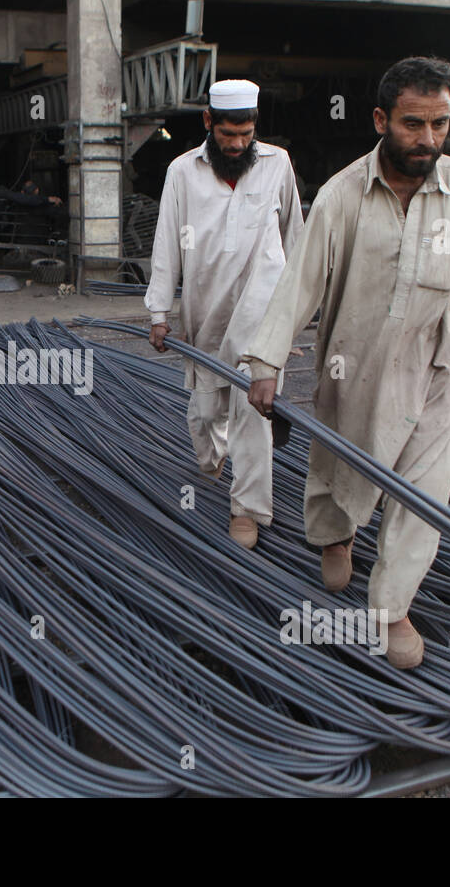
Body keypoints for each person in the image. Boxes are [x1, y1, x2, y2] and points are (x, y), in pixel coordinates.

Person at [243, 56, 450, 668]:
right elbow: (300, 283)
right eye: (413, 124)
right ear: (380, 119)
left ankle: (389, 608)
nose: (428, 140)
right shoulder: (342, 196)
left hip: (434, 363)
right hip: (353, 364)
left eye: (440, 124)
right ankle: (335, 535)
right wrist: (267, 361)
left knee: (425, 494)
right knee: (345, 465)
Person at [144, 79, 304, 548]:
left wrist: (298, 309)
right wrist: (159, 310)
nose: (237, 145)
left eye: (246, 135)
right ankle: (212, 458)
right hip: (204, 307)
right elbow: (166, 240)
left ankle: (247, 509)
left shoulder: (277, 164)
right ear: (209, 123)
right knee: (206, 409)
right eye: (228, 134)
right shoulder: (182, 171)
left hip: (262, 310)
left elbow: (296, 234)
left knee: (255, 408)